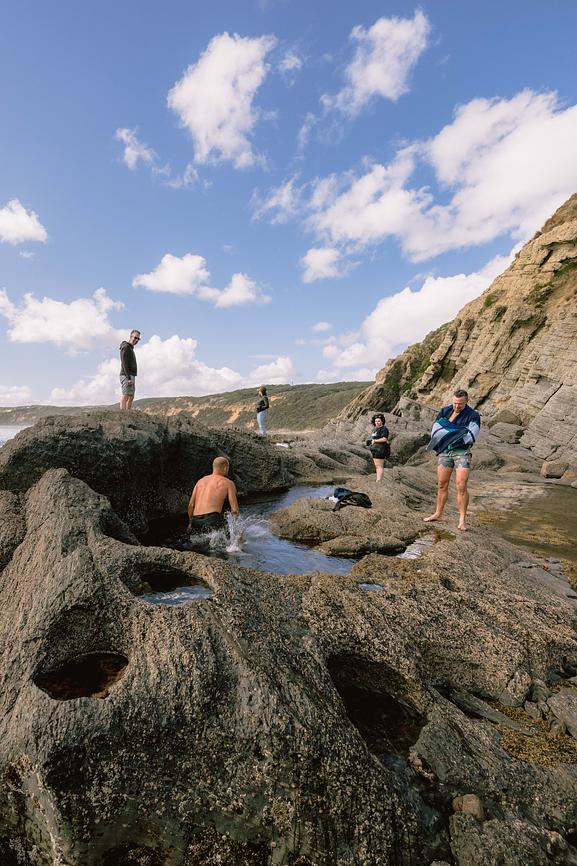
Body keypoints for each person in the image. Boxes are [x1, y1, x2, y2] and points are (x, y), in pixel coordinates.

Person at [424, 388, 481, 531]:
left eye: (460, 404)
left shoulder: (473, 415)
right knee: (442, 484)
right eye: (455, 403)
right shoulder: (445, 410)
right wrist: (457, 432)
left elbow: (470, 436)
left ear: (466, 402)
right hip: (445, 451)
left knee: (461, 485)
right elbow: (436, 430)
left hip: (462, 452)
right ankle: (438, 514)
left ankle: (462, 520)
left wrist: (448, 431)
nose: (456, 406)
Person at [187, 456, 240, 534]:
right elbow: (235, 510)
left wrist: (190, 523)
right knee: (228, 541)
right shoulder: (228, 483)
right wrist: (236, 531)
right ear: (225, 468)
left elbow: (191, 505)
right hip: (212, 519)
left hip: (196, 521)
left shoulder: (200, 481)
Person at [119, 329, 141, 410]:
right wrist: (128, 377)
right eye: (135, 338)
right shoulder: (126, 347)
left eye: (138, 339)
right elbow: (124, 363)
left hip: (131, 375)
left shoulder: (131, 348)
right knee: (126, 395)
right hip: (126, 374)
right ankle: (123, 415)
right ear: (130, 336)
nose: (136, 340)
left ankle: (128, 413)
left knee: (131, 396)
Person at [366, 413, 390, 482]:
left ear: (382, 421)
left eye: (379, 421)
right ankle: (378, 479)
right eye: (376, 421)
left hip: (381, 449)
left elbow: (384, 439)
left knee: (379, 466)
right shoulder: (375, 429)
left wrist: (375, 441)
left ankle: (379, 480)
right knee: (377, 466)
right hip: (375, 449)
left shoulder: (384, 429)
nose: (377, 422)